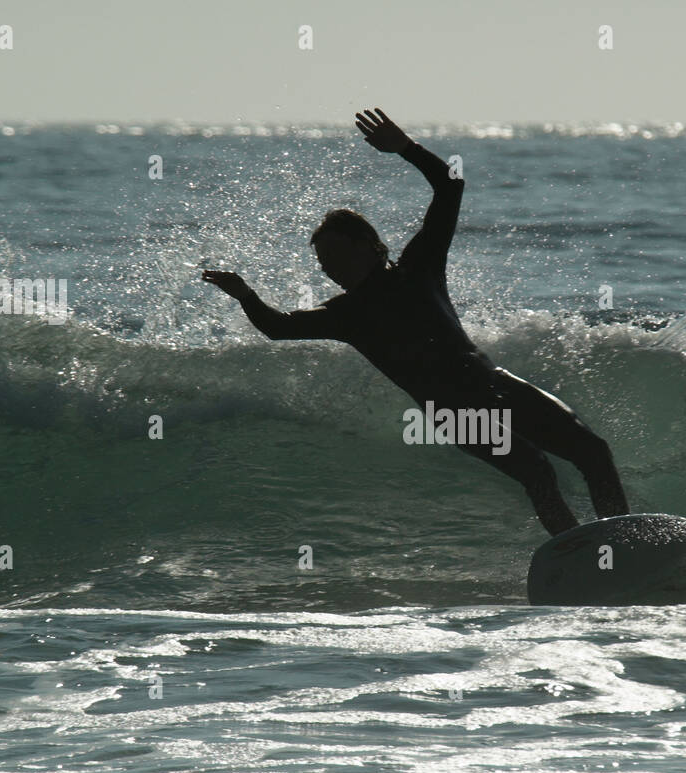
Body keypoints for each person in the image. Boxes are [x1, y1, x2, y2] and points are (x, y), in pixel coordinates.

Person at [202, 108, 628, 535]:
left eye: (336, 255)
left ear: (369, 246)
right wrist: (246, 296)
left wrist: (407, 148)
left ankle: (620, 539)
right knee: (536, 470)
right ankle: (578, 552)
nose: (329, 268)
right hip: (453, 411)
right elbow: (278, 327)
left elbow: (450, 185)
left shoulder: (418, 267)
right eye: (322, 262)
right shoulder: (344, 315)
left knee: (592, 451)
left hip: (493, 384)